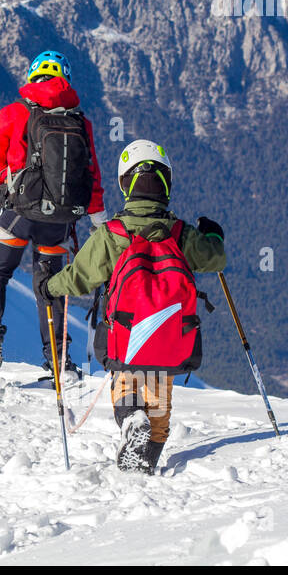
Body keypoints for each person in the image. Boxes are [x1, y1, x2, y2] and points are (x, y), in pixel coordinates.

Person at [38, 139, 226, 475]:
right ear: (166, 183)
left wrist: (47, 286)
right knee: (159, 401)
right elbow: (216, 259)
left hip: (125, 335)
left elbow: (79, 278)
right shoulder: (181, 234)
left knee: (126, 382)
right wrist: (213, 235)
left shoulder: (113, 234)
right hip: (170, 339)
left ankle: (130, 420)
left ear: (126, 185)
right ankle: (145, 464)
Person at [0, 50, 105, 392]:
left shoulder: (14, 113)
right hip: (60, 220)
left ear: (32, 76)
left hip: (19, 213)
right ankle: (60, 361)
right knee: (49, 286)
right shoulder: (81, 121)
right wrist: (97, 215)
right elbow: (91, 172)